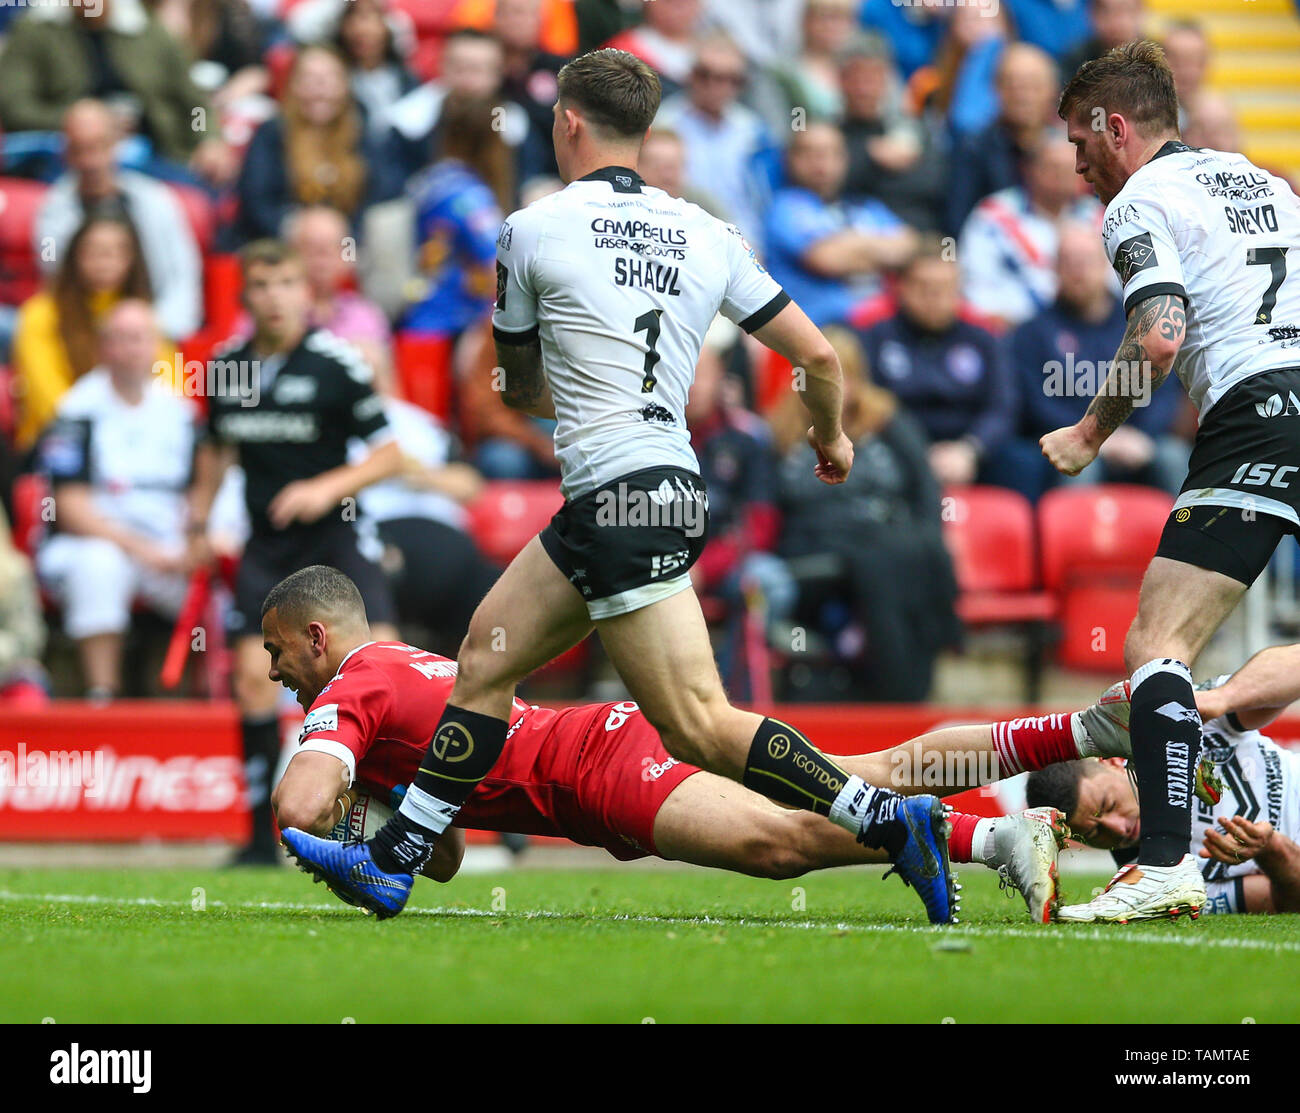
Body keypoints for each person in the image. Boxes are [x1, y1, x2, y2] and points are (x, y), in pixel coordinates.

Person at [282, 48, 959, 924]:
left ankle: (886, 815)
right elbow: (821, 355)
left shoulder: (532, 227)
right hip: (674, 488)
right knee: (486, 656)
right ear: (644, 133)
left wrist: (569, 373)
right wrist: (830, 435)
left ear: (568, 122)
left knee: (700, 725)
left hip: (610, 492)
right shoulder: (709, 232)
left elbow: (518, 390)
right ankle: (394, 858)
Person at [264, 564, 1064, 921]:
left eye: (276, 651)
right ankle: (1035, 783)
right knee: (864, 774)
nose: (273, 672)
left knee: (777, 842)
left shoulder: (354, 683)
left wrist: (337, 821)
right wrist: (374, 806)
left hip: (595, 768)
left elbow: (293, 809)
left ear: (316, 635)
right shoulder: (399, 673)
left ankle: (992, 836)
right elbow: (444, 856)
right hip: (595, 752)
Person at [1038, 40, 1300, 922]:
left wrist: (1086, 431)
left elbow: (1157, 332)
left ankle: (1165, 864)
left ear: (1117, 127)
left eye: (1080, 143)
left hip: (1260, 414)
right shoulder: (1260, 180)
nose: (1077, 166)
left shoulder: (1138, 203)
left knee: (1157, 645)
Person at [188, 238, 403, 865]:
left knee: (382, 668)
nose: (274, 297)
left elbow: (391, 453)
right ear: (245, 295)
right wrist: (199, 524)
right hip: (267, 548)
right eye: (261, 285)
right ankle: (261, 840)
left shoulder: (337, 364)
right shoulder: (226, 366)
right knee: (254, 678)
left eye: (286, 284)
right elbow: (215, 450)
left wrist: (323, 488)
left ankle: (422, 813)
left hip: (336, 540)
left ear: (306, 294)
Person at [1026, 645, 1300, 914]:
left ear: (1109, 763)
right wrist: (1272, 851)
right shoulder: (1154, 882)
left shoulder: (1171, 723)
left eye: (1107, 805)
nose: (1118, 828)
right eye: (1094, 833)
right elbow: (1284, 904)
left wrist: (1222, 698)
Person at [770, 327, 959, 702]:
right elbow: (768, 507)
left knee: (906, 554)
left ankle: (900, 687)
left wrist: (926, 541)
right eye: (825, 380)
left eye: (847, 377)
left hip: (885, 538)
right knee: (881, 558)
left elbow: (926, 495)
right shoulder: (780, 430)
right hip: (811, 547)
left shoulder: (888, 421)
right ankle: (896, 689)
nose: (838, 389)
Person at [34, 300, 206, 699]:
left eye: (140, 339)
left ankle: (195, 704)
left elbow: (203, 487)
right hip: (94, 541)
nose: (131, 349)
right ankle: (102, 695)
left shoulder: (180, 411)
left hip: (168, 545)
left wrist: (198, 537)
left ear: (156, 346)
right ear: (103, 347)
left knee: (214, 575)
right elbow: (69, 506)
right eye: (120, 339)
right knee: (100, 566)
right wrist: (142, 549)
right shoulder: (76, 410)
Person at [994, 221, 1188, 501]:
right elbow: (1035, 405)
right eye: (1068, 263)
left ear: (1106, 265)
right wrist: (1093, 438)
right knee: (1079, 463)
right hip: (1073, 442)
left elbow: (1164, 390)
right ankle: (1070, 544)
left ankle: (1189, 541)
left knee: (1174, 456)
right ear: (1054, 269)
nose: (1078, 272)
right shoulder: (1030, 334)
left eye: (1086, 262)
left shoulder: (1140, 324)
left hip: (1140, 442)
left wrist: (1138, 436)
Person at [35, 100, 203, 343]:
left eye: (98, 146)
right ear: (66, 153)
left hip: (156, 329)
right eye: (80, 149)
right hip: (81, 333)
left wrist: (155, 329)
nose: (90, 161)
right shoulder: (51, 213)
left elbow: (183, 273)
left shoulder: (157, 200)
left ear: (116, 144)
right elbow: (52, 271)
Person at [855, 238, 1015, 489]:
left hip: (968, 449)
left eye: (944, 288)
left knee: (1021, 462)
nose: (933, 298)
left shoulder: (983, 340)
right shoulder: (875, 338)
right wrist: (917, 454)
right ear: (901, 288)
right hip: (897, 449)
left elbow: (1002, 407)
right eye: (923, 287)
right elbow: (866, 403)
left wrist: (970, 450)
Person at [12, 215, 163, 450]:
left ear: (132, 260)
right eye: (94, 251)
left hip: (139, 446)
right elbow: (49, 402)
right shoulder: (40, 314)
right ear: (74, 257)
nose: (105, 261)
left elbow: (170, 387)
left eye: (116, 252)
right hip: (57, 444)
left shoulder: (141, 315)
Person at [233, 45, 403, 245]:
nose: (320, 89)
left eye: (329, 79)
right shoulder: (272, 132)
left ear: (345, 86)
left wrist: (345, 233)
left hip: (347, 244)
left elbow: (382, 190)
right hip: (286, 244)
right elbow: (256, 201)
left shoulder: (360, 131)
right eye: (309, 79)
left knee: (392, 220)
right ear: (292, 86)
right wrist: (303, 231)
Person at [764, 121, 915, 329]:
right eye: (809, 153)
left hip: (878, 332)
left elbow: (909, 247)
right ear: (790, 159)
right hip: (819, 332)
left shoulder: (865, 205)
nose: (820, 163)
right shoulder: (785, 207)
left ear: (844, 160)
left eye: (830, 153)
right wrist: (879, 253)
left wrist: (847, 245)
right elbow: (826, 259)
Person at [957, 135, 1100, 329]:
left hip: (1089, 330)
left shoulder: (1098, 217)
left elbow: (1118, 286)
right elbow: (974, 285)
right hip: (1012, 333)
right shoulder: (993, 216)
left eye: (1070, 168)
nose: (1062, 176)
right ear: (1029, 170)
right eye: (1052, 168)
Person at [945, 42, 1060, 235]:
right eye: (1012, 85)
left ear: (1053, 91)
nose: (1022, 96)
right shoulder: (973, 149)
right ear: (996, 90)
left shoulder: (1070, 149)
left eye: (1032, 86)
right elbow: (958, 224)